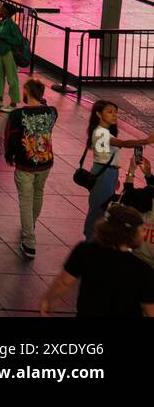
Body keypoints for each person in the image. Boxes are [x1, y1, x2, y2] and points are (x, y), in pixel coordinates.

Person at [41, 204, 154, 317]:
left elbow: (64, 282)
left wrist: (48, 299)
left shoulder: (84, 251)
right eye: (141, 230)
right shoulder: (142, 270)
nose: (144, 233)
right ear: (130, 234)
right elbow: (150, 310)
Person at [80, 100, 152, 240]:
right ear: (98, 114)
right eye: (110, 112)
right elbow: (123, 144)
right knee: (99, 208)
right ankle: (90, 239)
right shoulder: (101, 132)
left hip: (108, 173)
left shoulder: (105, 132)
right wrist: (145, 141)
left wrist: (114, 173)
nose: (114, 115)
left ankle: (94, 238)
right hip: (103, 174)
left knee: (103, 206)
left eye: (116, 112)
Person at [4, 77, 57, 259]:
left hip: (25, 163)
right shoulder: (52, 112)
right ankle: (30, 225)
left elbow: (10, 137)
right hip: (45, 161)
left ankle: (29, 241)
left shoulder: (18, 115)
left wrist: (9, 155)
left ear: (26, 91)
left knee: (25, 200)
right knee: (38, 194)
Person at [0, 4, 26, 112]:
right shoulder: (0, 23)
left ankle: (13, 103)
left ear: (7, 12)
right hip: (0, 52)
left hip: (9, 53)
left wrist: (1, 36)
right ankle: (0, 99)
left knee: (11, 78)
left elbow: (18, 40)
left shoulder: (12, 25)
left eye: (2, 9)